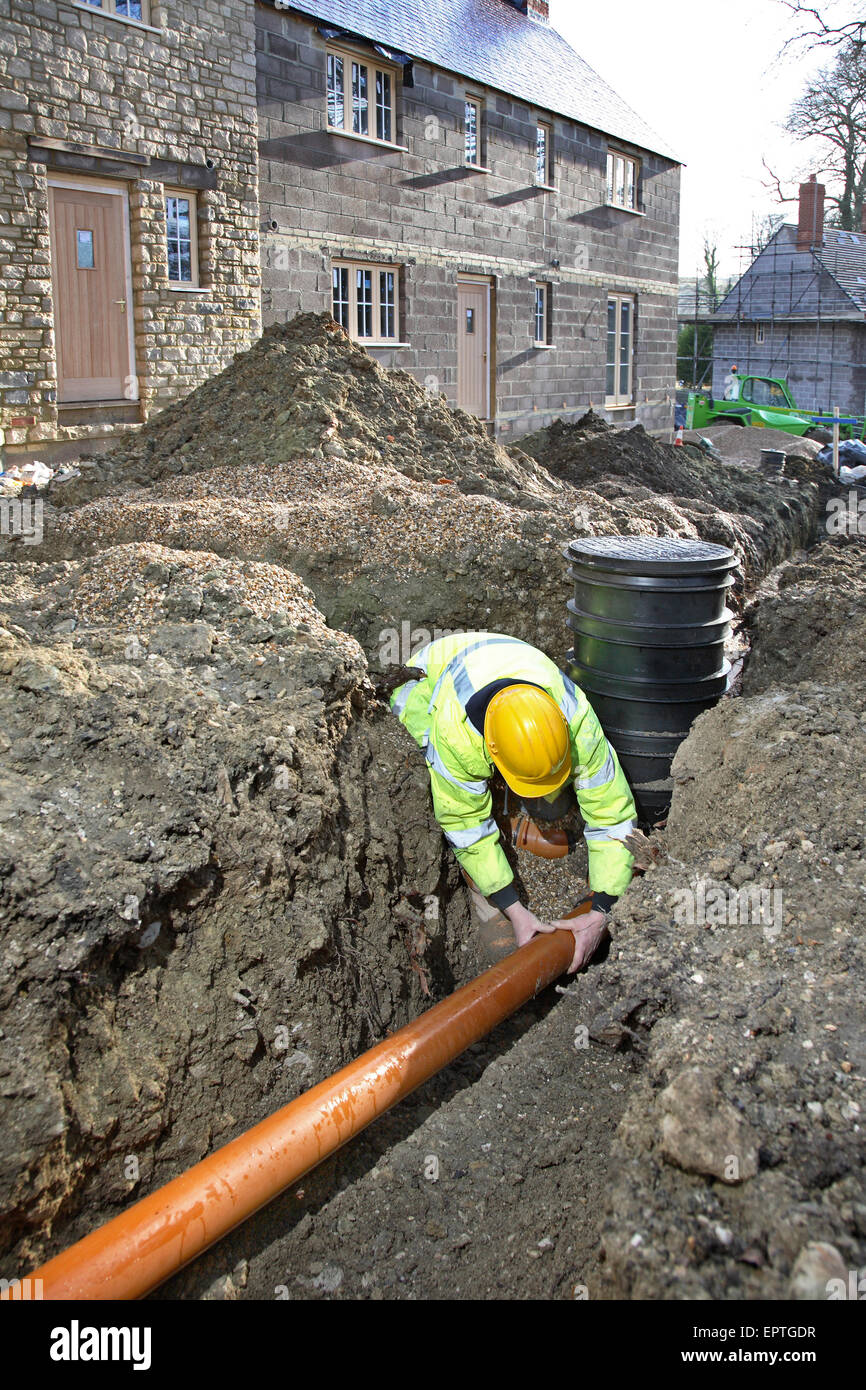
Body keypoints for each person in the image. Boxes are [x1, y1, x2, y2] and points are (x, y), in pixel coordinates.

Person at [390, 631, 636, 973]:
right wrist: (511, 907)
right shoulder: (455, 737)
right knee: (431, 782)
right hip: (430, 678)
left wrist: (604, 908)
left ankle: (517, 819)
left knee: (552, 805)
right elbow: (466, 825)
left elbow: (612, 811)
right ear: (491, 749)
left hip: (508, 662)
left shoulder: (576, 715)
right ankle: (481, 885)